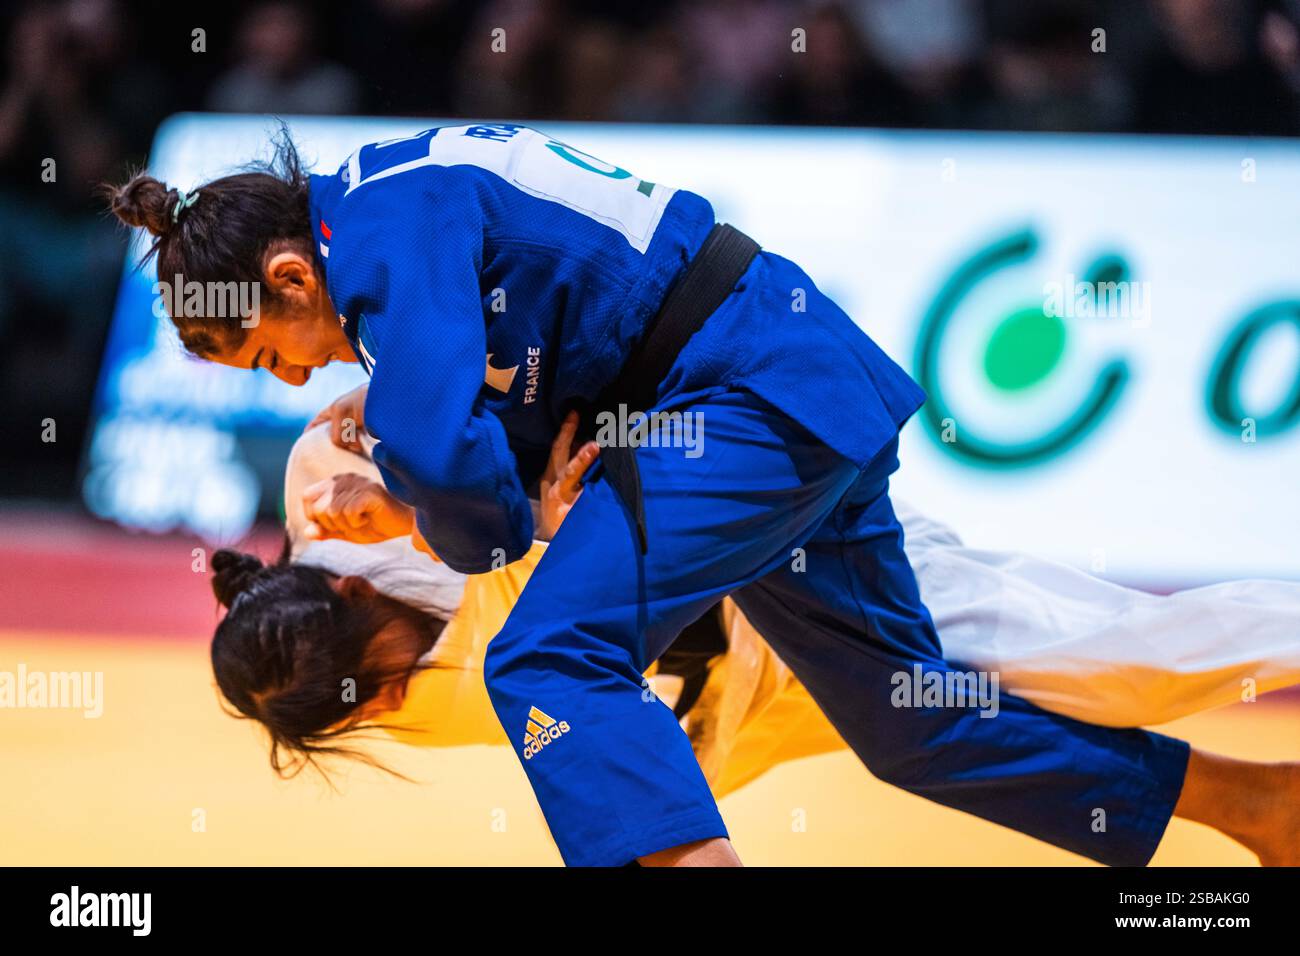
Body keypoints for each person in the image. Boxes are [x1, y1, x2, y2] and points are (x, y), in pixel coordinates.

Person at [109, 123, 1299, 867]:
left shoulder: (379, 225)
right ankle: (1262, 809)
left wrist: (461, 501)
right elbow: (477, 441)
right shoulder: (384, 209)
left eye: (276, 350)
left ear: (285, 273)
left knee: (547, 658)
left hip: (742, 400)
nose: (305, 373)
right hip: (768, 395)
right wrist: (492, 485)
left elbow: (450, 464)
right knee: (910, 722)